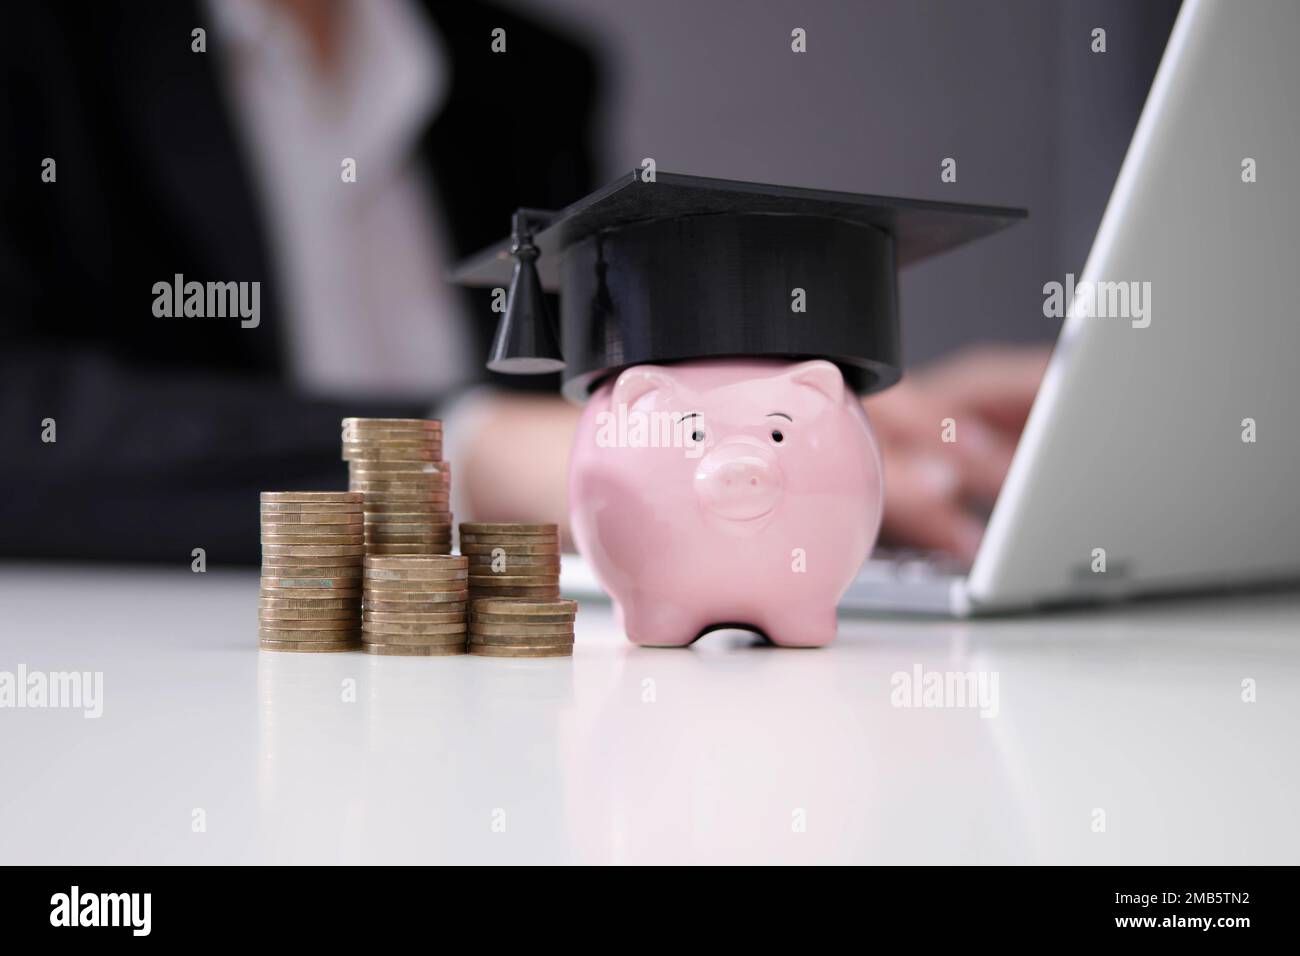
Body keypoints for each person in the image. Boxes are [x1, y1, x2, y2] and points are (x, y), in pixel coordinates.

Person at [2, 0, 1047, 566]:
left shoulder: (524, 75)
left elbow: (601, 362)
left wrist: (791, 420)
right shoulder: (43, 46)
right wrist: (474, 453)